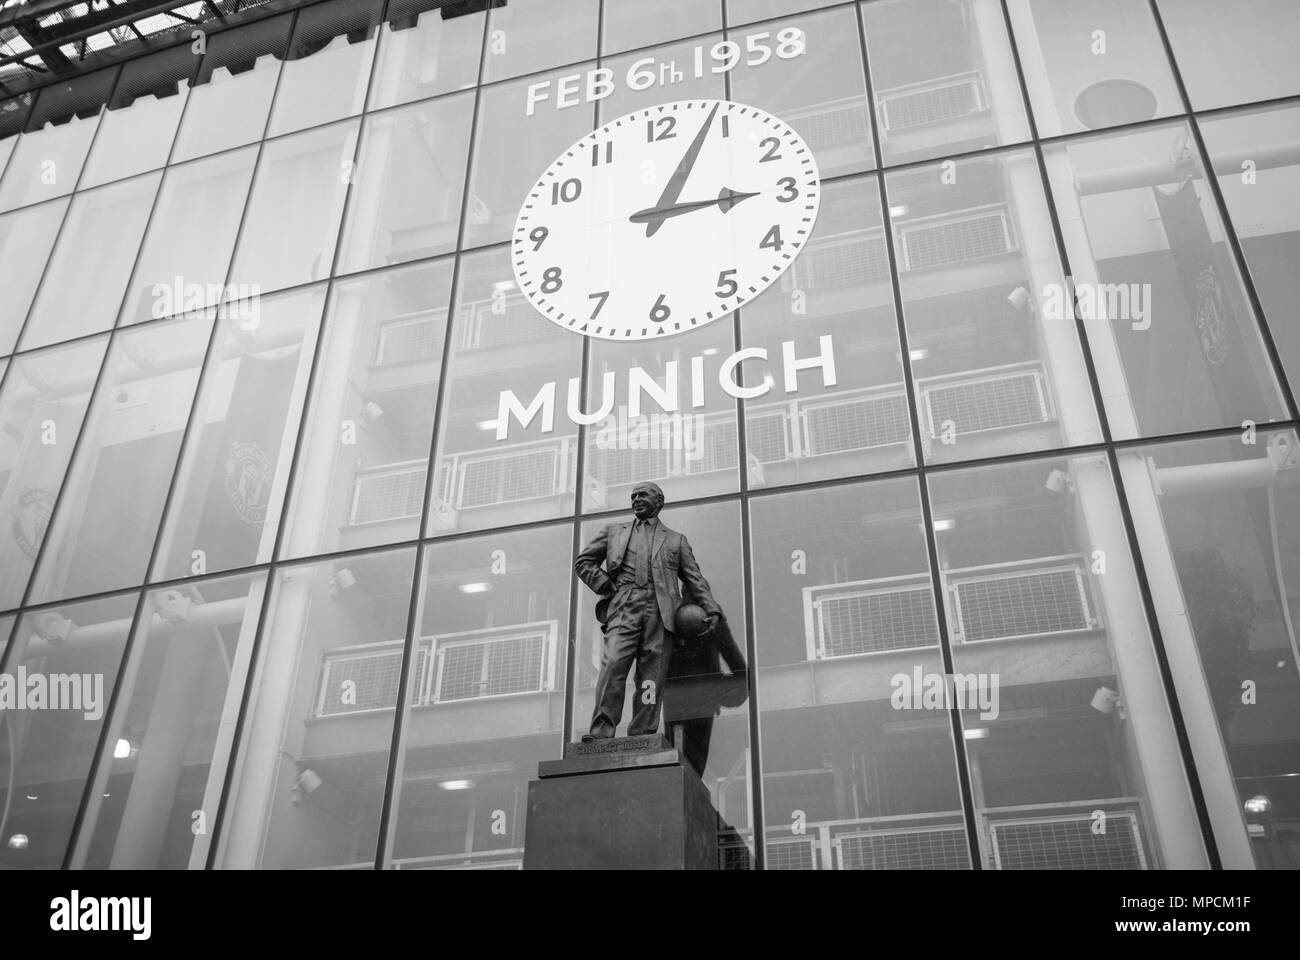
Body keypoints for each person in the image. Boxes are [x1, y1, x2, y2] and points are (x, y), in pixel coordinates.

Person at [574, 481, 720, 741]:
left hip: (660, 610)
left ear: (659, 502)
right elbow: (584, 562)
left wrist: (711, 608)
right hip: (623, 604)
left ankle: (643, 731)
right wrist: (604, 583)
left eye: (643, 495)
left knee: (651, 675)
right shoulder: (612, 532)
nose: (636, 499)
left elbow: (694, 579)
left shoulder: (676, 540)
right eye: (633, 496)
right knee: (613, 665)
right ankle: (601, 731)